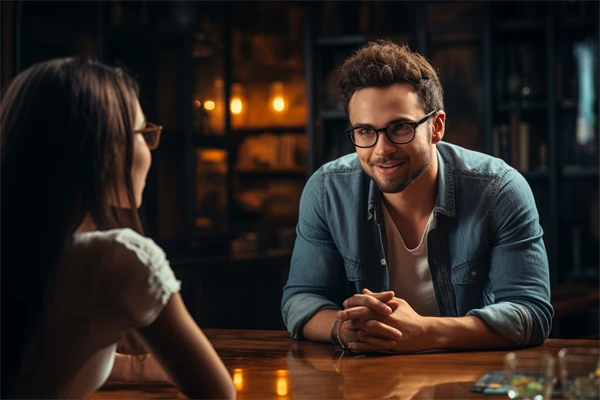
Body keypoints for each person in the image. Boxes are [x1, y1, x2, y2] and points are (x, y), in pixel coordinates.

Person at [281, 39, 553, 353]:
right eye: (365, 131)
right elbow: (301, 300)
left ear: (436, 127)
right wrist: (345, 329)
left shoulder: (498, 189)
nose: (381, 150)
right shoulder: (327, 190)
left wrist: (426, 332)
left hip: (471, 381)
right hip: (367, 383)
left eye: (400, 128)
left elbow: (531, 314)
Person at [1, 58, 236, 400]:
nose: (149, 148)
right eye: (144, 134)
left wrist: (132, 367)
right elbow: (220, 393)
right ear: (107, 150)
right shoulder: (118, 258)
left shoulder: (25, 249)